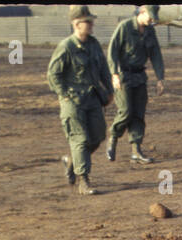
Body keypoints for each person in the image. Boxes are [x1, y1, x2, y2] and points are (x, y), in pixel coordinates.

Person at [47, 6, 113, 195]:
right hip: (73, 101)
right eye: (88, 21)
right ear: (76, 24)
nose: (92, 25)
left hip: (93, 99)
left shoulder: (93, 44)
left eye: (91, 21)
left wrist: (109, 91)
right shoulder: (66, 47)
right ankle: (83, 181)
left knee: (98, 137)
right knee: (80, 140)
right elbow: (53, 74)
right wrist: (64, 95)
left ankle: (71, 162)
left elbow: (104, 70)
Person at [107, 5, 167, 164]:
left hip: (140, 77)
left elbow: (156, 55)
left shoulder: (150, 31)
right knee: (126, 111)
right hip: (123, 76)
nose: (152, 20)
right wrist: (114, 74)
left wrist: (160, 78)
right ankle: (113, 137)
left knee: (139, 114)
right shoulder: (124, 27)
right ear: (141, 12)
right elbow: (112, 51)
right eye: (150, 16)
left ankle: (136, 150)